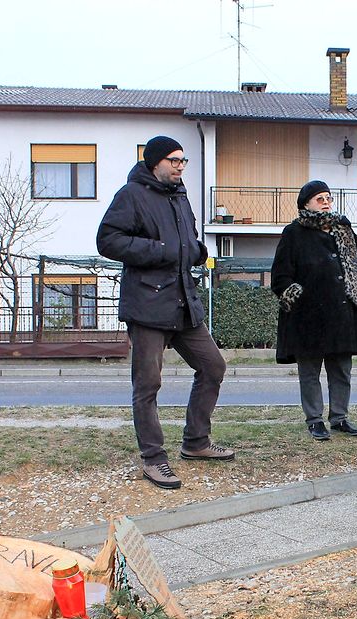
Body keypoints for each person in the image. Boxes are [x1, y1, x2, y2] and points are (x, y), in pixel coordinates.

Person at [96, 135, 233, 490]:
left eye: (183, 161)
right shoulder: (132, 195)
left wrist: (197, 250)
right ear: (154, 162)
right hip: (146, 304)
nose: (180, 165)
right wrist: (159, 250)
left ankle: (196, 442)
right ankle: (154, 459)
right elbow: (107, 239)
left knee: (213, 365)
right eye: (174, 160)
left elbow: (184, 242)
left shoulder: (180, 196)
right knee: (148, 384)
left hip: (183, 300)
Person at [271, 180, 357, 441]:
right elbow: (280, 276)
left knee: (341, 369)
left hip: (342, 313)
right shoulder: (293, 233)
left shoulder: (343, 229)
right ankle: (315, 420)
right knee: (310, 372)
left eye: (328, 197)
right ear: (305, 203)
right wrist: (296, 296)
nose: (326, 202)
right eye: (319, 198)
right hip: (308, 316)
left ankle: (340, 418)